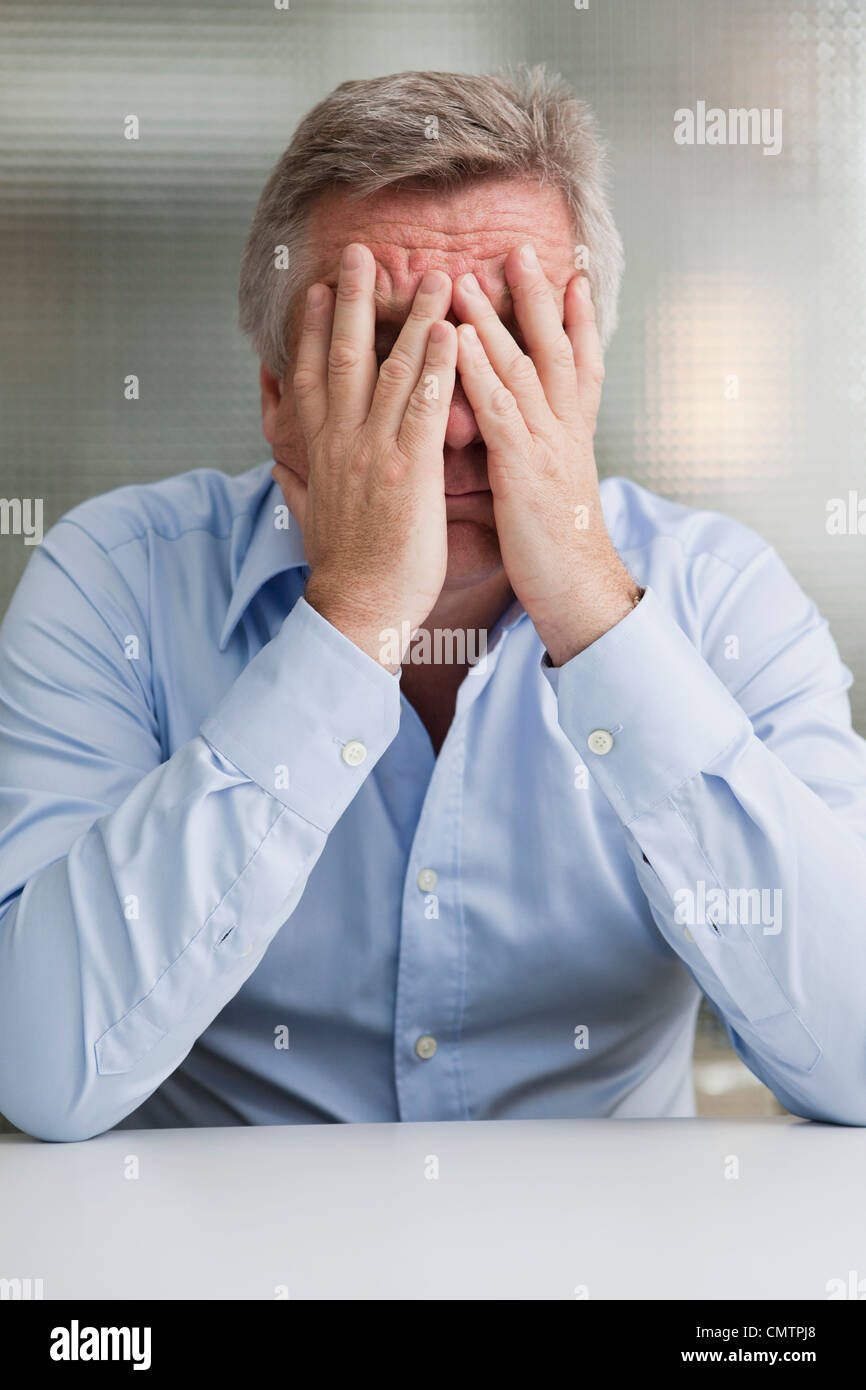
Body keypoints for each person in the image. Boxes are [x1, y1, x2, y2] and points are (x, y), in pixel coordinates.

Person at [1, 68, 865, 1142]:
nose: (456, 424)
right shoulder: (113, 584)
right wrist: (350, 618)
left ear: (585, 369)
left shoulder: (721, 594)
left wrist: (597, 613)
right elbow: (37, 1069)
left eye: (508, 342)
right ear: (278, 396)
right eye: (389, 347)